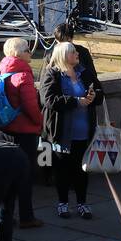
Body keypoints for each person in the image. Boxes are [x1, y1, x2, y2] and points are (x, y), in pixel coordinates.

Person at [40, 40, 98, 220]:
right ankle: (63, 203)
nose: (77, 55)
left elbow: (99, 91)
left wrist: (94, 96)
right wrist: (75, 101)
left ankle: (82, 203)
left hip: (83, 131)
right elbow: (48, 100)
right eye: (73, 52)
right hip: (61, 132)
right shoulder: (53, 74)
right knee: (62, 170)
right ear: (64, 56)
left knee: (82, 170)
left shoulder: (84, 72)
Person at [0, 37, 44, 229]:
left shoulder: (2, 70)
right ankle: (27, 217)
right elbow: (31, 106)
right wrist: (41, 123)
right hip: (23, 133)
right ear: (18, 53)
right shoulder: (24, 75)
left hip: (2, 129)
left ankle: (4, 217)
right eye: (27, 49)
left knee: (5, 177)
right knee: (24, 176)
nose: (30, 53)